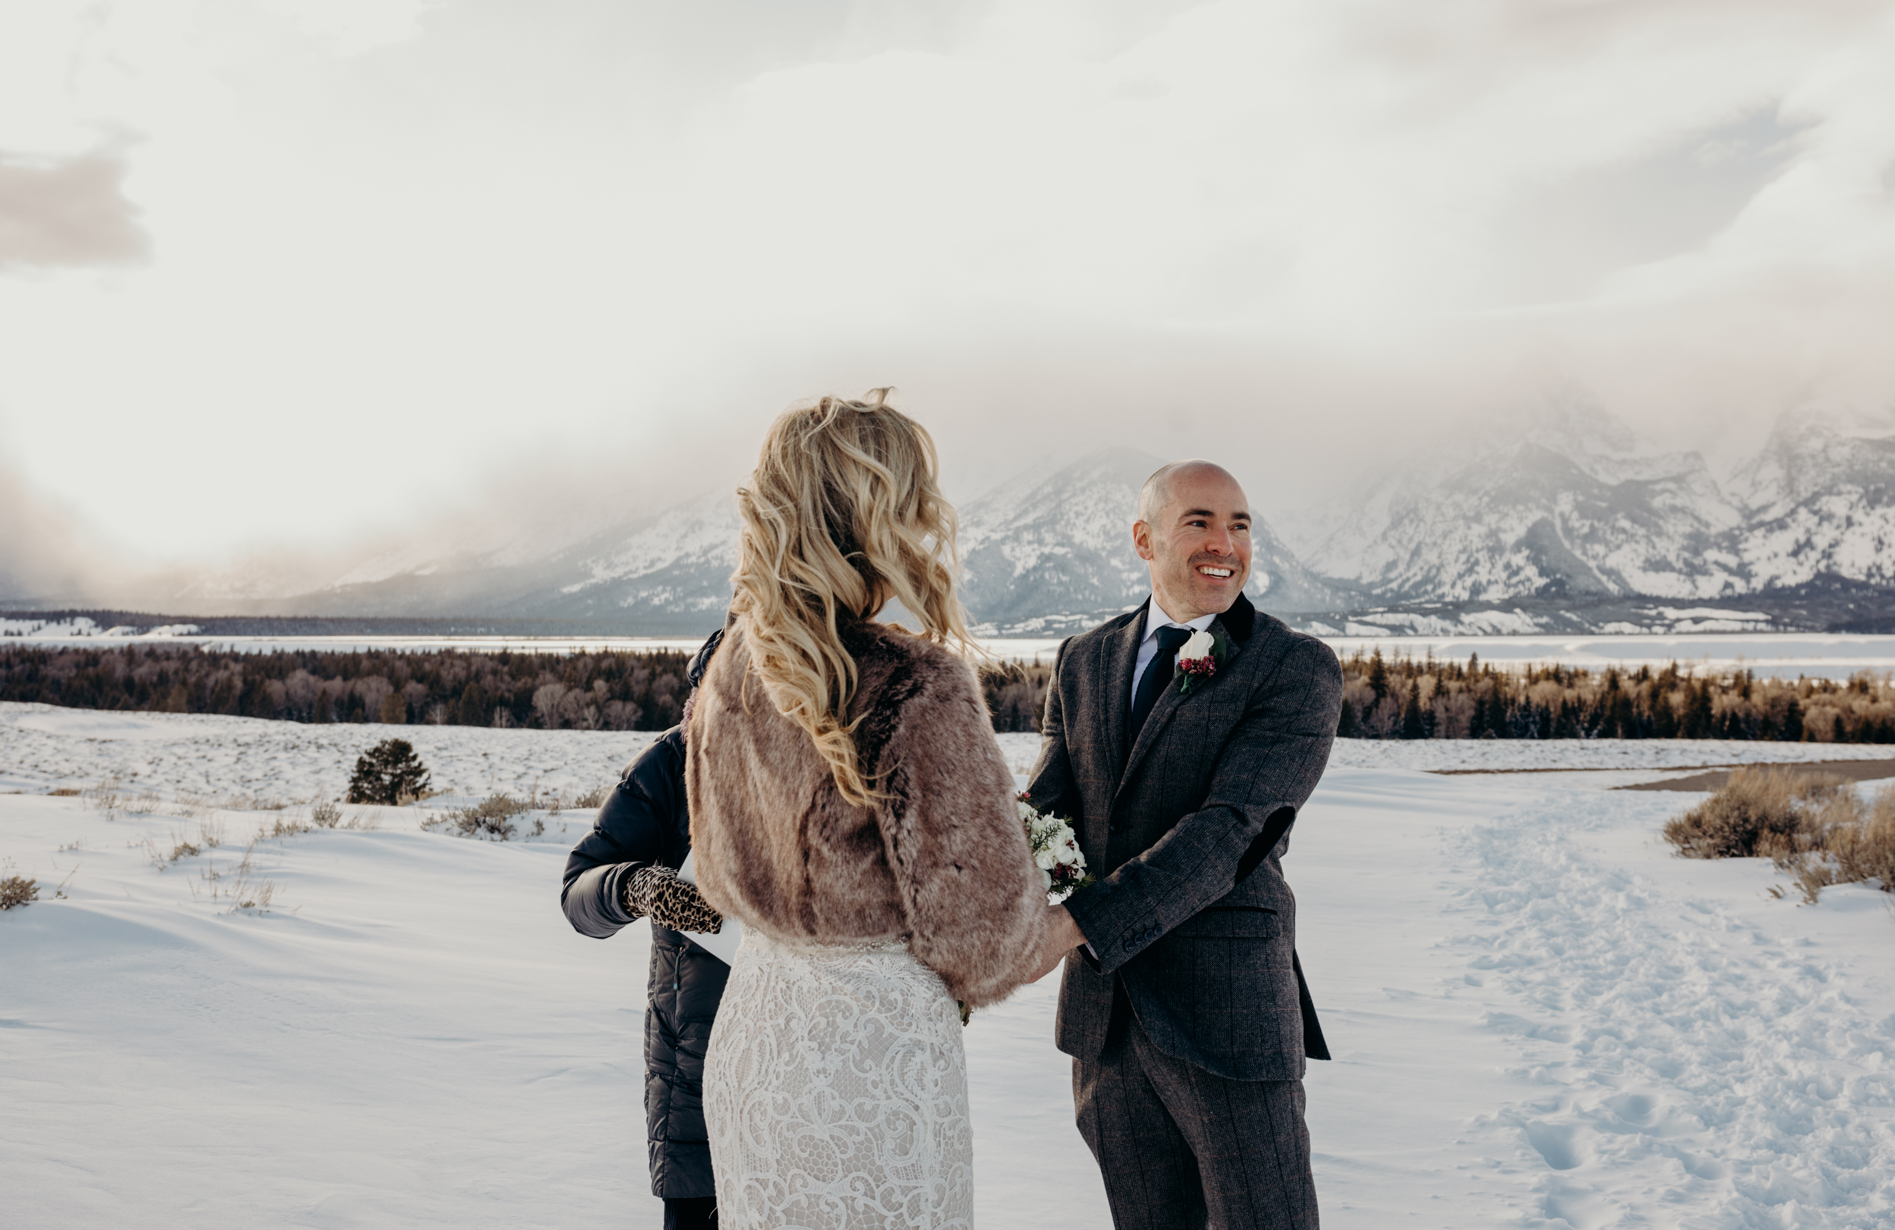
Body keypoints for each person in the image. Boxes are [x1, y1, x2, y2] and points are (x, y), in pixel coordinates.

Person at [683, 390, 1053, 1230]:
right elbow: (986, 940)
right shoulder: (913, 685)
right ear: (882, 512)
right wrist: (1068, 908)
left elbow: (713, 866)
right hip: (871, 1058)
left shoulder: (736, 667)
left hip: (755, 1038)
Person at [1024, 459, 1345, 1230]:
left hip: (1228, 1015)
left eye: (1240, 525)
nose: (1225, 544)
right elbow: (1046, 811)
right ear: (1145, 537)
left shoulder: (1294, 667)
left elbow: (1232, 831)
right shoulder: (1084, 658)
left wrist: (1083, 922)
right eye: (1199, 520)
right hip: (1105, 1026)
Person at [561, 628, 733, 1230]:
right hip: (695, 1081)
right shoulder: (672, 764)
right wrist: (637, 886)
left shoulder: (834, 765)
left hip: (812, 1077)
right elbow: (578, 891)